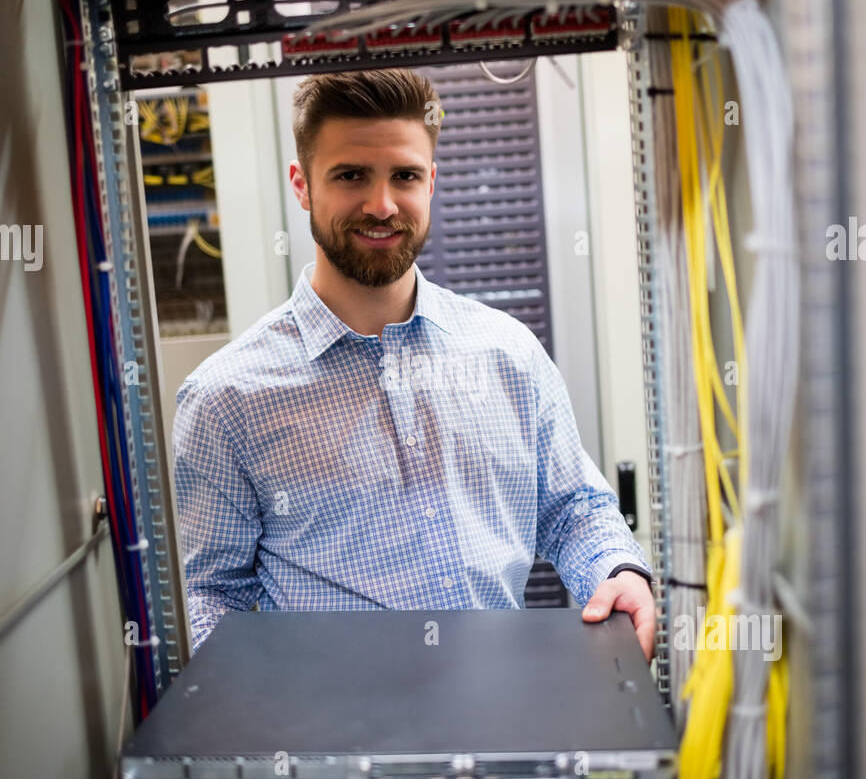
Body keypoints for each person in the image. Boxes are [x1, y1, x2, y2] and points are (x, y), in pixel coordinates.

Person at [173, 68, 656, 658]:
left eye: (404, 176)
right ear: (302, 186)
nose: (382, 205)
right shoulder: (226, 398)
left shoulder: (508, 353)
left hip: (500, 715)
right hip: (332, 735)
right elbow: (210, 596)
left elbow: (573, 509)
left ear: (431, 182)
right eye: (351, 176)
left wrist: (619, 572)